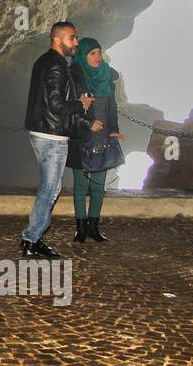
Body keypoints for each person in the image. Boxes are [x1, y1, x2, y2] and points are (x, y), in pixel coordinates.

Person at [22, 21, 96, 259]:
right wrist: (81, 104)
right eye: (72, 38)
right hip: (52, 135)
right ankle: (31, 240)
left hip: (40, 131)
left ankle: (35, 239)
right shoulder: (57, 65)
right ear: (57, 39)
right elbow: (56, 104)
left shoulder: (43, 61)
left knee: (49, 189)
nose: (76, 43)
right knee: (49, 190)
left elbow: (45, 99)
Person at [66, 37, 124, 243]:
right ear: (83, 55)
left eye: (99, 52)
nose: (98, 57)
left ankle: (93, 228)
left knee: (99, 186)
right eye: (93, 53)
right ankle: (80, 229)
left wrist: (114, 129)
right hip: (82, 137)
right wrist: (87, 123)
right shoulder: (73, 77)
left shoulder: (107, 75)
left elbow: (113, 106)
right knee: (81, 185)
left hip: (103, 137)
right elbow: (68, 110)